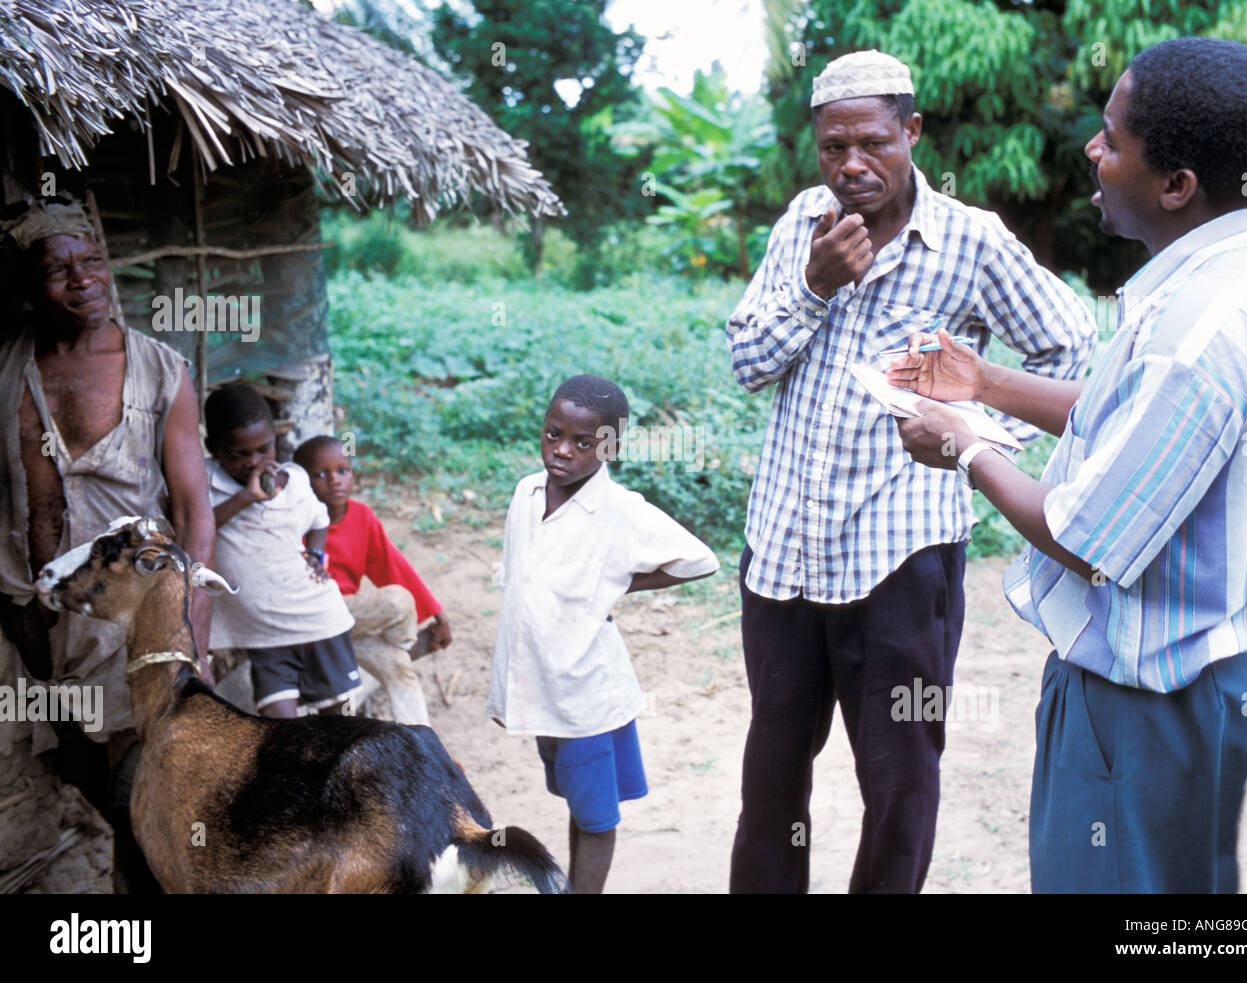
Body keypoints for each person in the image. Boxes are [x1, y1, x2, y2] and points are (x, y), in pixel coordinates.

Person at [889, 37, 1247, 893]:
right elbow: (1140, 434)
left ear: (1177, 184)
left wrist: (961, 445)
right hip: (1215, 684)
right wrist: (986, 380)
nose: (1091, 150)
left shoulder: (1195, 335)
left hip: (1139, 708)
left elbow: (1088, 537)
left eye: (1112, 140)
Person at [725, 49, 1097, 893]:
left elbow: (1071, 342)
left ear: (912, 132)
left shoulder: (972, 240)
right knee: (771, 773)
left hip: (904, 557)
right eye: (831, 148)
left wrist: (972, 433)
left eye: (872, 144)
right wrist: (815, 287)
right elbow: (747, 360)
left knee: (899, 782)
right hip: (782, 553)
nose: (851, 166)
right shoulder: (799, 228)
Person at [0, 195, 215, 892]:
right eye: (58, 268)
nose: (82, 278)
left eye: (91, 261)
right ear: (29, 284)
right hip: (25, 616)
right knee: (55, 764)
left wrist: (189, 625)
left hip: (125, 612)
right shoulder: (8, 370)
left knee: (141, 783)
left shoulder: (158, 371)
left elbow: (192, 507)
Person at [487, 374, 719, 893]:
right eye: (552, 434)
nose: (561, 451)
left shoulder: (620, 512)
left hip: (585, 695)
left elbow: (700, 560)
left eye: (582, 442)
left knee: (596, 815)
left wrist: (617, 584)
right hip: (542, 684)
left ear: (609, 446)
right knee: (575, 797)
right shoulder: (526, 492)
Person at [204, 384, 361, 718]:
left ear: (276, 439)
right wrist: (245, 498)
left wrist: (316, 556)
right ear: (212, 449)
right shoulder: (205, 483)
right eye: (237, 455)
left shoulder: (295, 480)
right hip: (262, 634)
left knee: (340, 719)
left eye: (264, 449)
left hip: (318, 620)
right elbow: (198, 528)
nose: (253, 462)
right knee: (279, 726)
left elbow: (319, 520)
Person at [294, 434, 451, 727]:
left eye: (343, 470)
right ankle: (406, 644)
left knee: (400, 669)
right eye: (320, 474)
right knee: (398, 600)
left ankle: (424, 750)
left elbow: (393, 566)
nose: (334, 480)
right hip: (316, 619)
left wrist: (438, 615)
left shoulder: (361, 516)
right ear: (303, 482)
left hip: (351, 625)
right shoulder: (295, 520)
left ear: (353, 475)